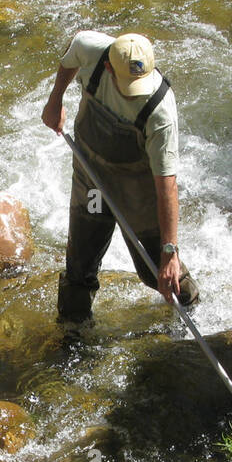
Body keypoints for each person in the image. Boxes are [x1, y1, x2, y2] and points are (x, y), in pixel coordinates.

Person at [42, 29, 199, 338]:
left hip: (135, 195)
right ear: (109, 67)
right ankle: (73, 336)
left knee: (157, 272)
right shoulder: (92, 50)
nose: (133, 91)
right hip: (92, 181)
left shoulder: (160, 110)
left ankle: (192, 308)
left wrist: (170, 251)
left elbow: (166, 185)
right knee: (80, 265)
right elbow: (70, 54)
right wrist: (55, 99)